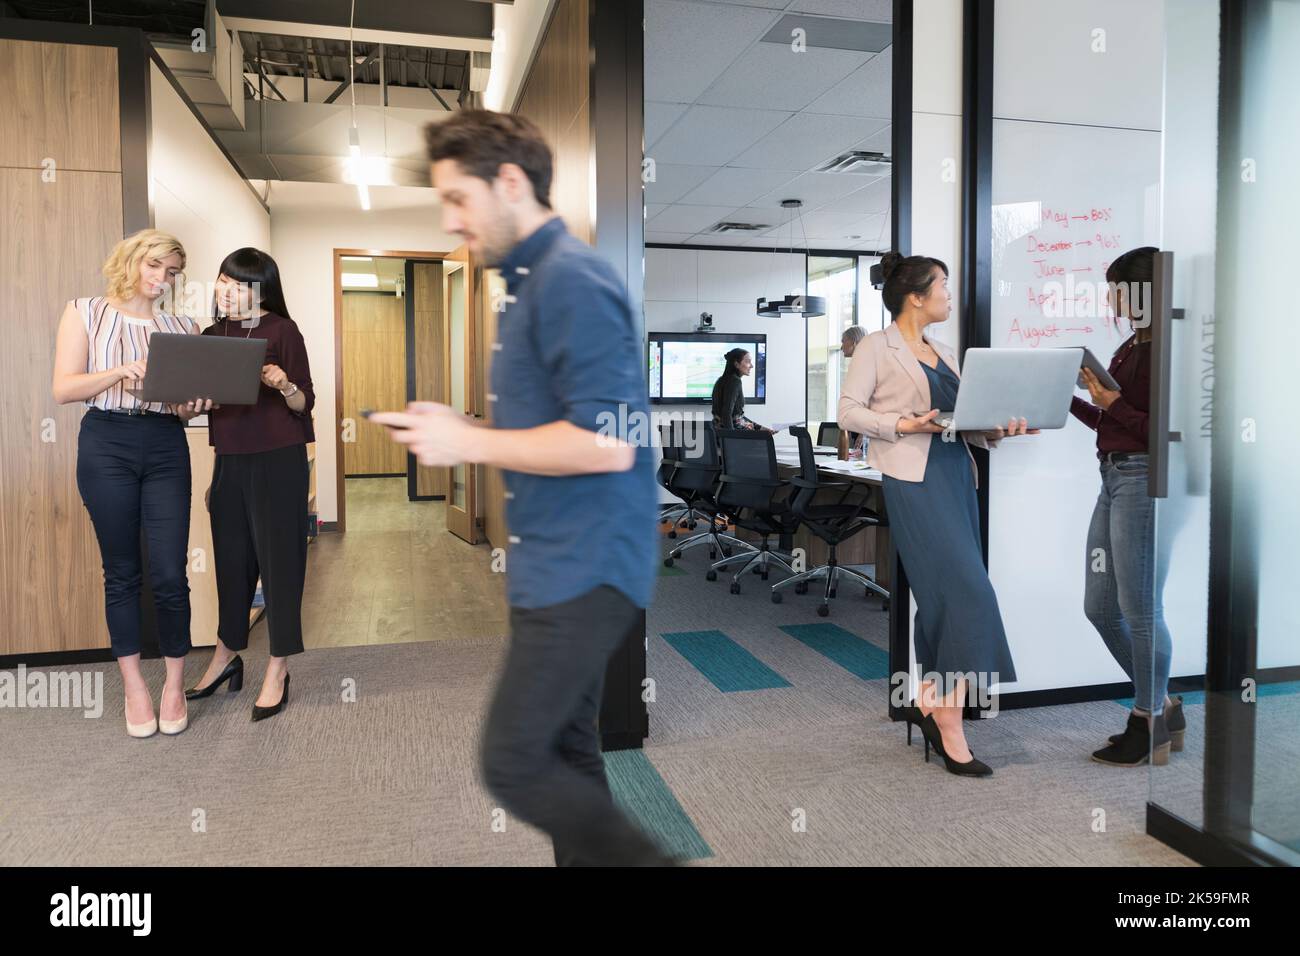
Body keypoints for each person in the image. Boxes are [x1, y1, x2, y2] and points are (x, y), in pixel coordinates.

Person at [374, 109, 673, 865]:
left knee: (512, 760)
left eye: (457, 200)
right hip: (551, 566)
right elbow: (556, 423)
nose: (450, 222)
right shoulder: (525, 283)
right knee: (569, 754)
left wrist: (467, 441)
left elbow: (608, 443)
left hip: (587, 568)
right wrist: (462, 423)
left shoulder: (571, 280)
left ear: (510, 183)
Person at [838, 251, 1036, 777]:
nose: (950, 294)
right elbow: (849, 412)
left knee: (946, 597)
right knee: (971, 591)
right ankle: (943, 713)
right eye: (943, 285)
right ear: (916, 296)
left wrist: (1000, 429)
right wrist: (904, 424)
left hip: (956, 477)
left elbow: (960, 421)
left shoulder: (945, 352)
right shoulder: (876, 349)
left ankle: (933, 703)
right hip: (913, 481)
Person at [51, 228, 213, 738]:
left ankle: (171, 685)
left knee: (170, 571)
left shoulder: (184, 325)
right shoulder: (84, 311)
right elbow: (63, 388)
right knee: (122, 570)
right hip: (106, 443)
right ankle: (135, 689)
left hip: (165, 444)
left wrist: (194, 405)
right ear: (130, 259)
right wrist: (118, 371)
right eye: (154, 266)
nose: (160, 279)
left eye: (170, 272)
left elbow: (183, 407)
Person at [185, 248, 315, 723]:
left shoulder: (283, 331)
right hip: (229, 462)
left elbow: (304, 403)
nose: (226, 289)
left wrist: (283, 384)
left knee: (279, 565)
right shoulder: (210, 335)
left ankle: (278, 667)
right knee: (232, 564)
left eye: (238, 284)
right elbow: (192, 407)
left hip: (279, 461)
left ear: (260, 290)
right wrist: (187, 404)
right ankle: (226, 655)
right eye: (222, 279)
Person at [1071, 246, 1180, 767]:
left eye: (1119, 288)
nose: (1113, 298)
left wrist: (1112, 403)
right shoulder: (1128, 346)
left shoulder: (1168, 348)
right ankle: (1161, 705)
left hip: (1145, 478)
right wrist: (1069, 399)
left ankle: (1147, 718)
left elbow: (1165, 435)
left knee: (1140, 611)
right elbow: (1111, 424)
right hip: (1112, 477)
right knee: (1100, 606)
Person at [710, 348, 773, 433]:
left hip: (718, 432)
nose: (751, 366)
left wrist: (762, 428)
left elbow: (738, 418)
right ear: (736, 364)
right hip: (731, 435)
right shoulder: (735, 381)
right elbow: (727, 413)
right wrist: (731, 439)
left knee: (765, 434)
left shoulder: (720, 380)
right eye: (748, 362)